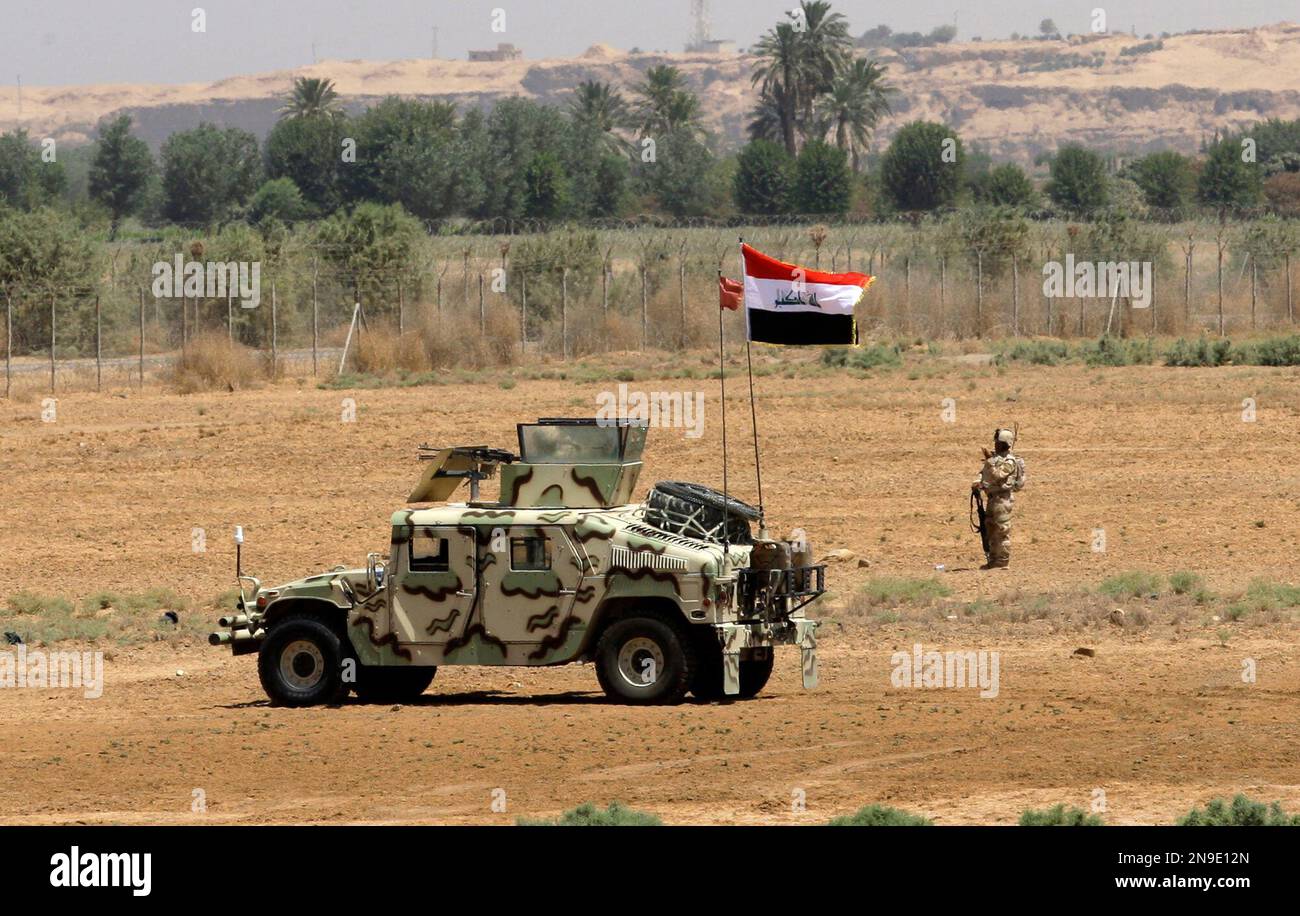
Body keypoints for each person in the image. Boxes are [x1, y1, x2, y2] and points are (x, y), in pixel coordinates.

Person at [971, 428, 1026, 569]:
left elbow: (997, 475)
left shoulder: (1010, 461)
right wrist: (978, 484)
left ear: (1005, 444)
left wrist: (989, 460)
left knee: (1001, 531)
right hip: (992, 499)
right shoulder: (995, 459)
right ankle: (993, 561)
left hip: (1002, 500)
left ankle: (1002, 562)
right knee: (990, 529)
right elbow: (984, 475)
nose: (995, 445)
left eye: (999, 443)